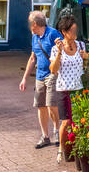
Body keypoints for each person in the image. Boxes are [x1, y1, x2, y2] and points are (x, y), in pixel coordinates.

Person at [48, 14, 85, 172]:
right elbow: (53, 70)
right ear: (64, 31)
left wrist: (87, 56)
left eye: (75, 29)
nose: (75, 32)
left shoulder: (80, 44)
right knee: (67, 121)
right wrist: (59, 54)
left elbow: (86, 60)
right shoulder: (56, 48)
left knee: (80, 121)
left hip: (79, 89)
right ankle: (63, 150)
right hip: (64, 89)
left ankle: (79, 148)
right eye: (72, 30)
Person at [20, 11, 63, 148]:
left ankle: (57, 130)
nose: (29, 26)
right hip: (40, 76)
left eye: (29, 23)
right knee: (41, 106)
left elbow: (62, 52)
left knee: (51, 105)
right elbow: (33, 58)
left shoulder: (53, 34)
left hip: (52, 74)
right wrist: (24, 78)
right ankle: (45, 136)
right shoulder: (35, 37)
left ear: (34, 24)